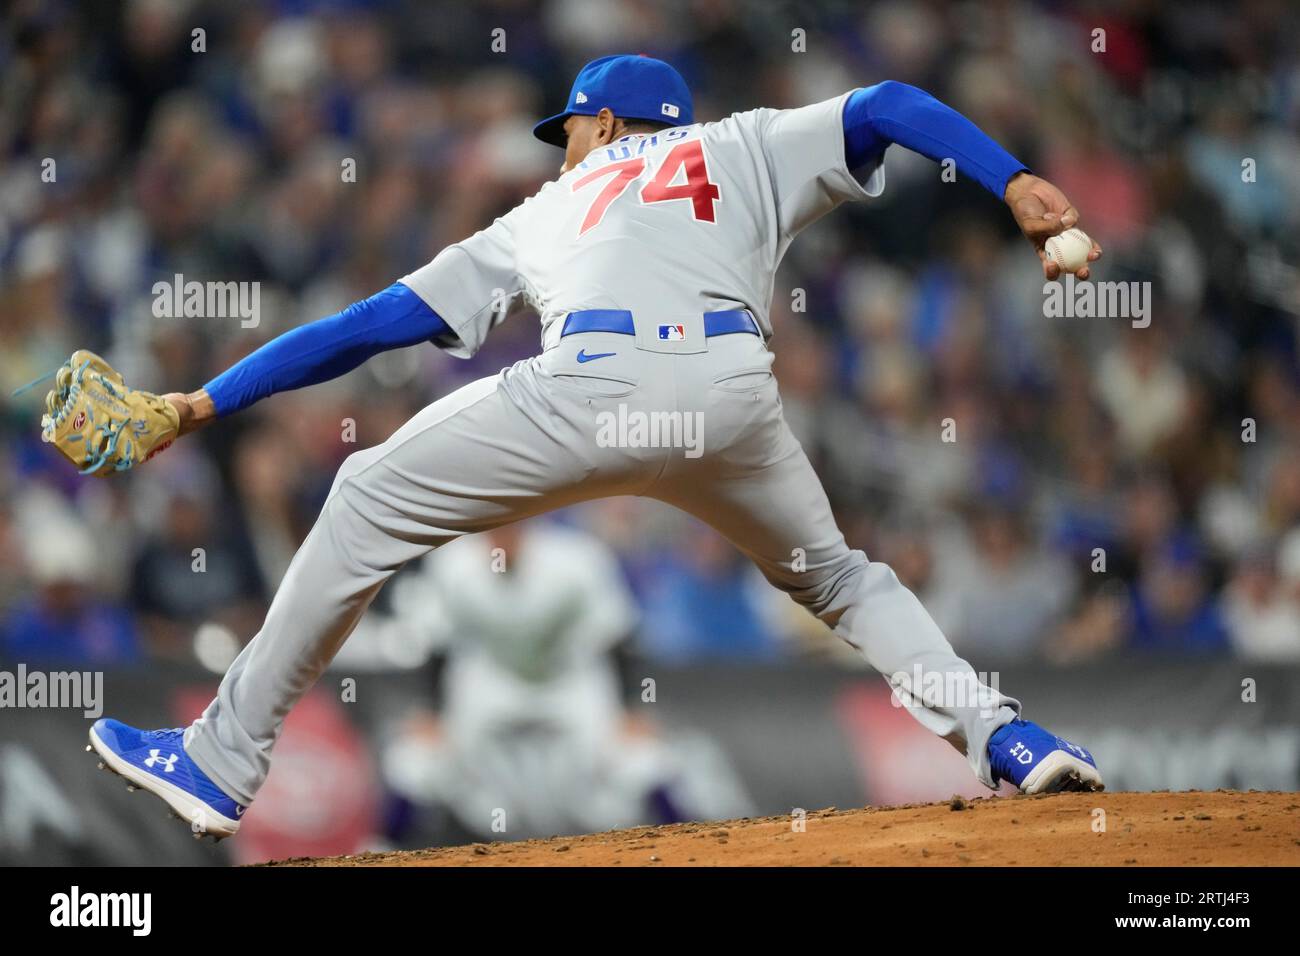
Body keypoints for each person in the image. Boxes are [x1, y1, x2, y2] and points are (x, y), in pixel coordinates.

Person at [87, 54, 1104, 839]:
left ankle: (220, 761)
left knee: (362, 495)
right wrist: (1011, 180)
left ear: (604, 120)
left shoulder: (544, 208)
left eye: (566, 126)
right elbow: (886, 102)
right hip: (730, 397)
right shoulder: (747, 141)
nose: (560, 145)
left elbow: (365, 325)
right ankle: (1009, 737)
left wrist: (203, 402)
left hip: (594, 388)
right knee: (840, 577)